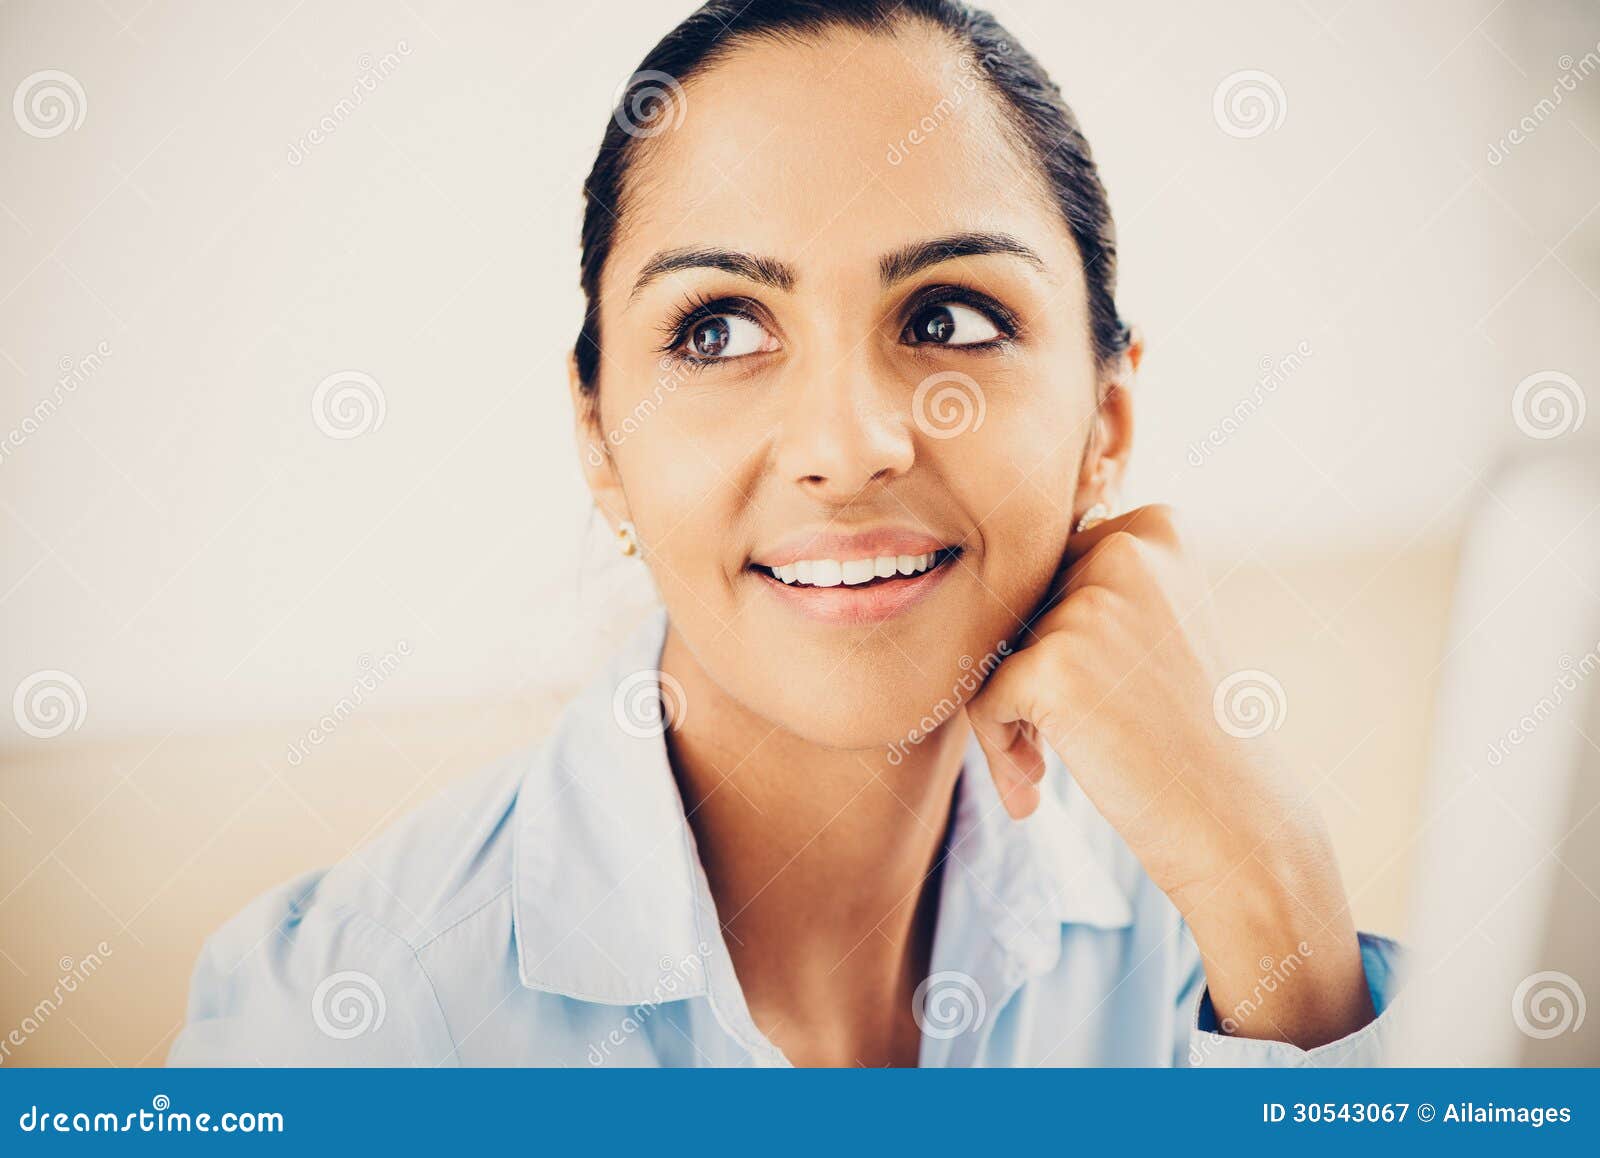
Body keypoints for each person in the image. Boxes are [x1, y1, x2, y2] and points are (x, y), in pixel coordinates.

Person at [171, 0, 1401, 1067]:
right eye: (717, 330)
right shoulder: (354, 1018)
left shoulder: (1198, 923)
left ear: (1105, 423)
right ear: (601, 439)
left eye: (953, 317)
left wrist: (1275, 909)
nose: (848, 442)